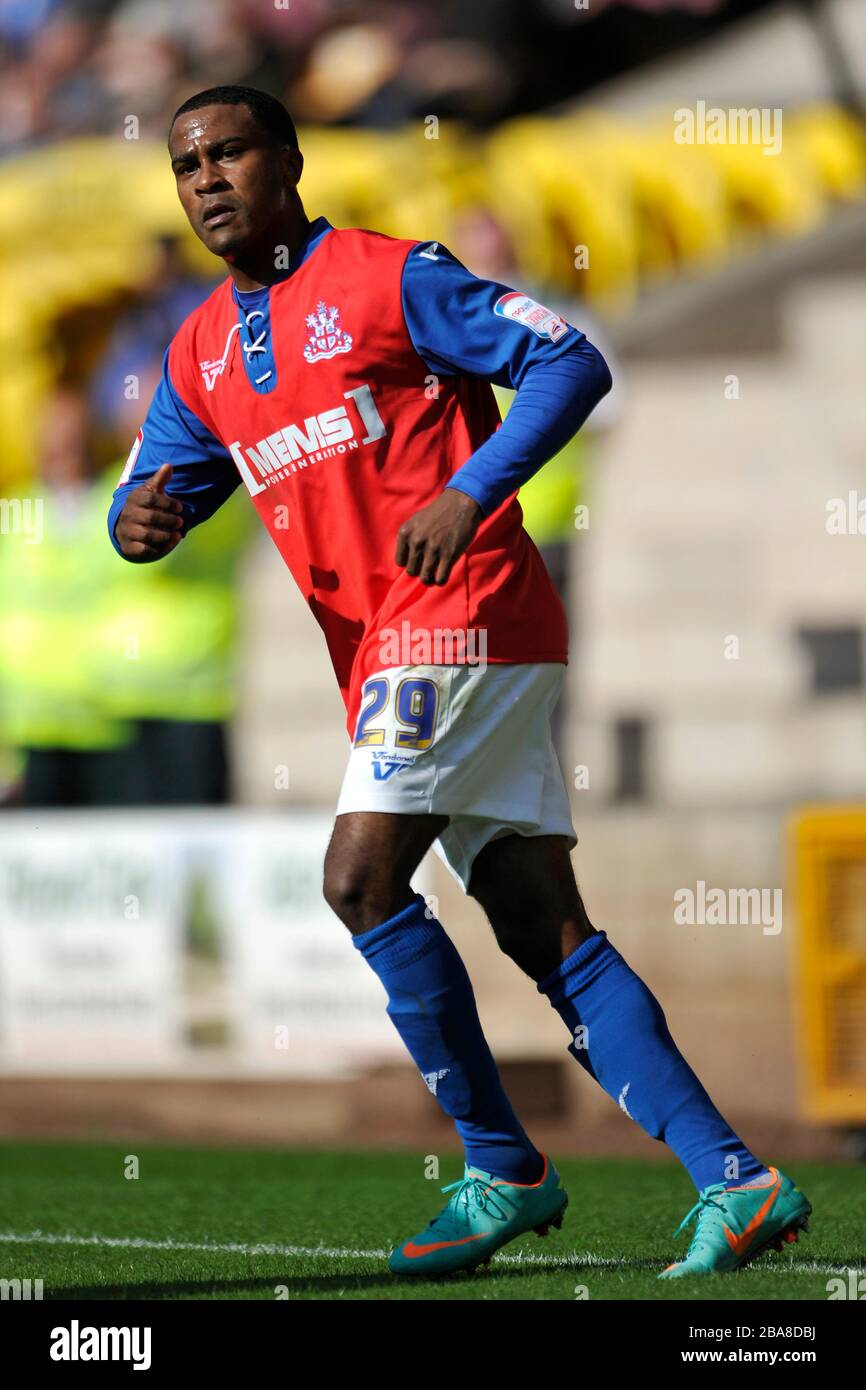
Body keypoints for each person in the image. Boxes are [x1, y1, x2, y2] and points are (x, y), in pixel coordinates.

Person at [108, 84, 811, 1278]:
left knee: (357, 876)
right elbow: (149, 503)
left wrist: (470, 487)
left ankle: (499, 1167)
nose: (208, 179)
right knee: (542, 925)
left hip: (464, 613)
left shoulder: (391, 278)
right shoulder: (199, 349)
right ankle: (735, 1180)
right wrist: (139, 522)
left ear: (286, 161)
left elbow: (569, 359)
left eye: (230, 152)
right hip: (390, 650)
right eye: (187, 165)